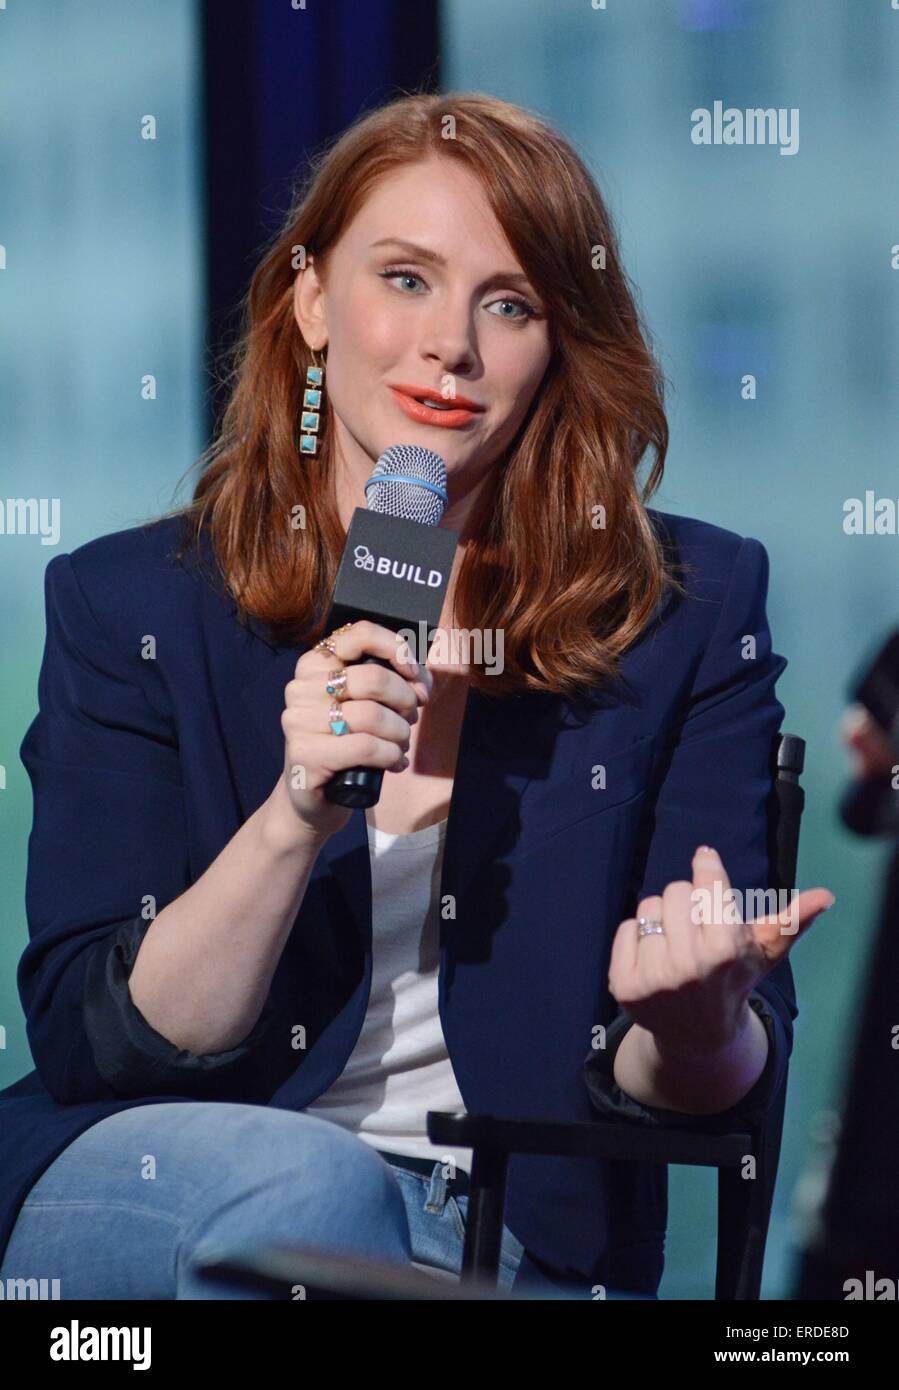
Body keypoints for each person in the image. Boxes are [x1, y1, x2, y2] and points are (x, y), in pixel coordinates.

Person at [0, 91, 835, 1301]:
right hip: (159, 1182)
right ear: (309, 304)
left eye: (509, 304)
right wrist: (296, 815)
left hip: (504, 1239)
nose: (453, 343)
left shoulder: (680, 611)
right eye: (404, 278)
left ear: (554, 347)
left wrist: (701, 1021)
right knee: (314, 1194)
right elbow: (99, 1042)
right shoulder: (131, 603)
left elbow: (704, 1091)